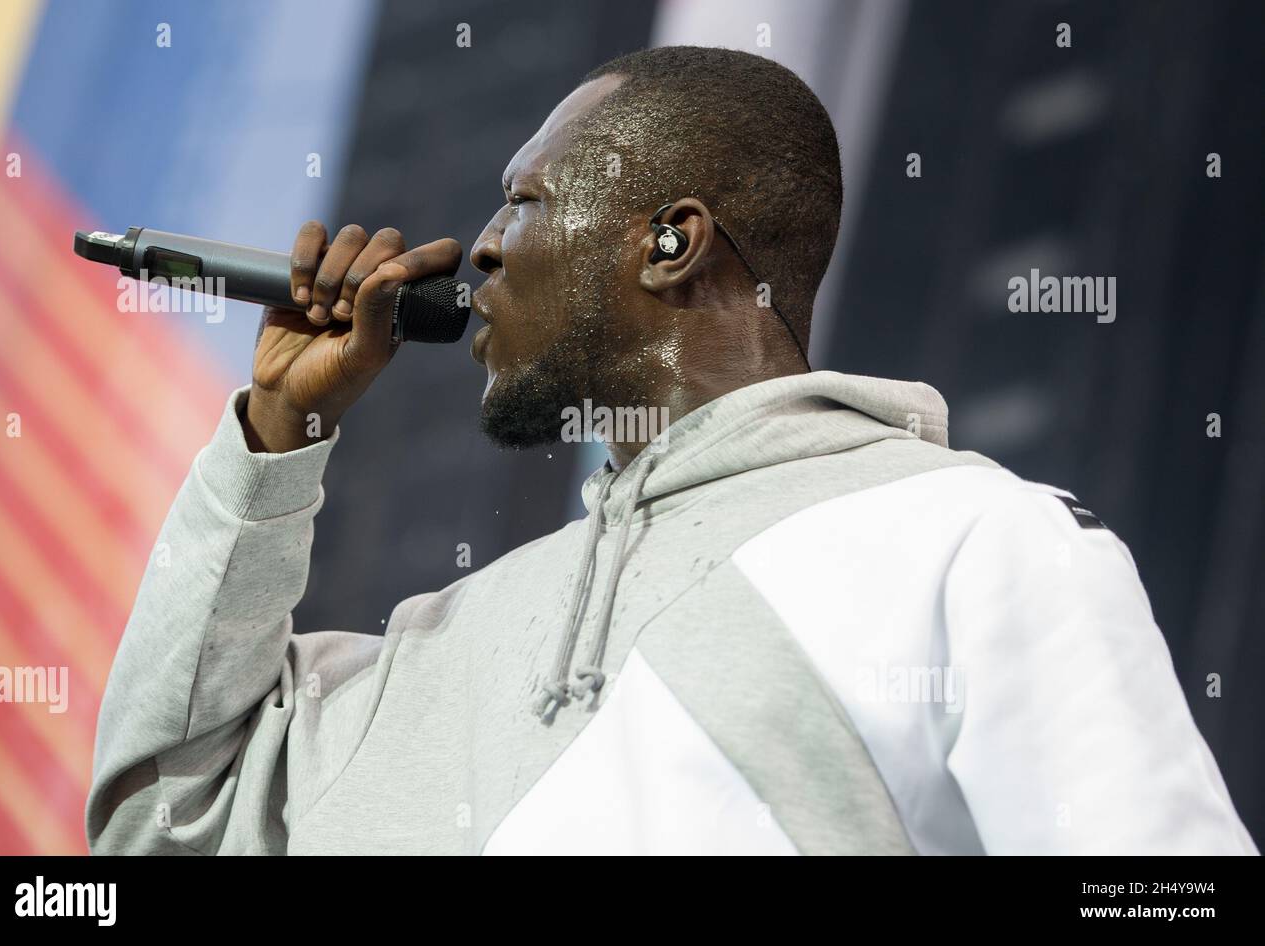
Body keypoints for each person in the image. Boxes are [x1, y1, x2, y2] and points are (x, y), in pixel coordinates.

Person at [87, 46, 1256, 855]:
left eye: (522, 200)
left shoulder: (967, 539)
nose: (479, 250)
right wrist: (276, 433)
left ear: (668, 242)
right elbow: (167, 826)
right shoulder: (432, 647)